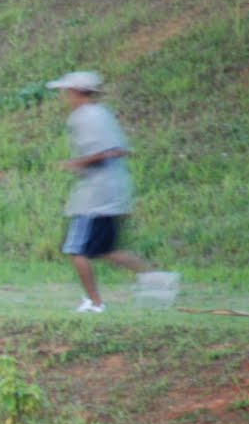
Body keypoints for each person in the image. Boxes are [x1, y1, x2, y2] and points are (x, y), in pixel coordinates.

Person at [48, 70, 179, 314]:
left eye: (66, 92)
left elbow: (111, 151)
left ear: (76, 92)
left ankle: (95, 303)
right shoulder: (102, 114)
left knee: (76, 250)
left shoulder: (83, 117)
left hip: (94, 195)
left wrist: (77, 163)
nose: (64, 96)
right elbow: (120, 149)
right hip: (113, 191)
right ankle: (158, 277)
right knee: (105, 250)